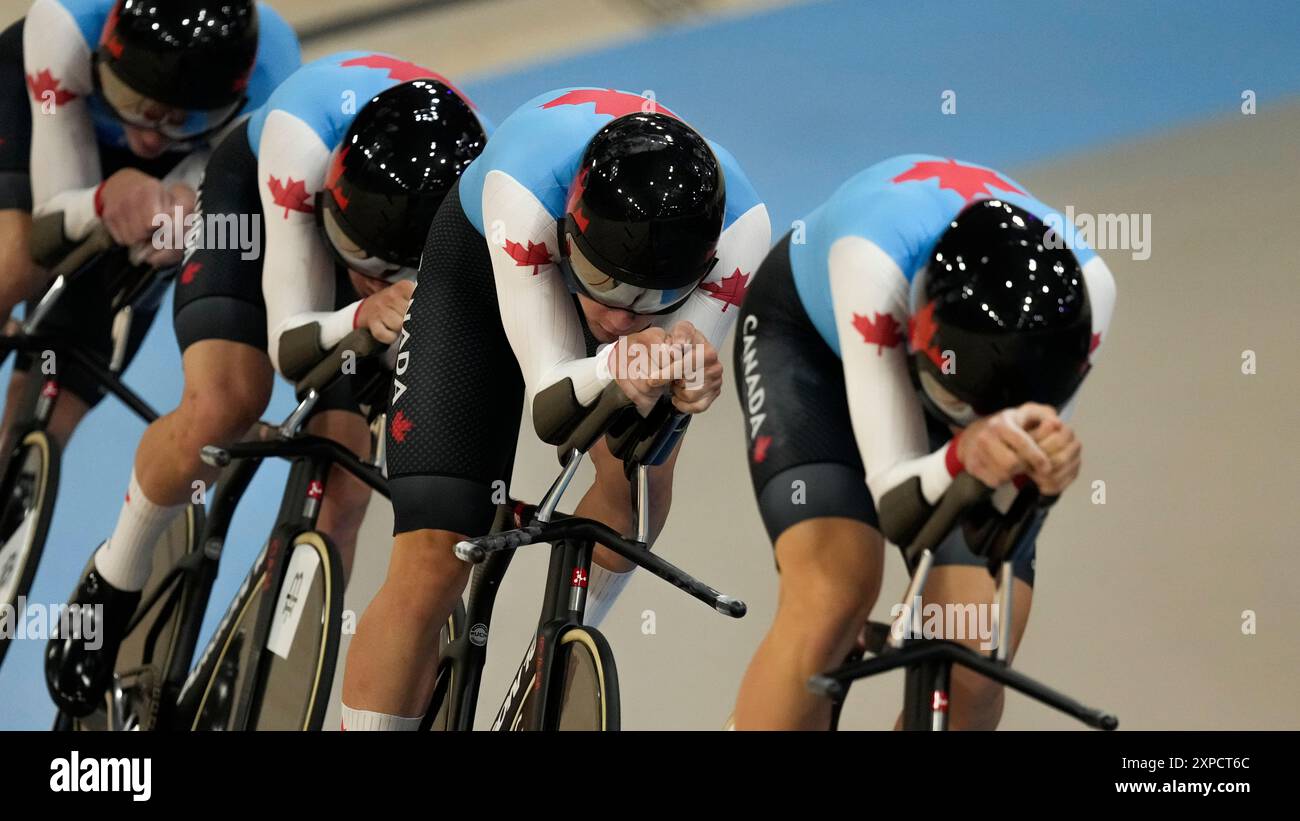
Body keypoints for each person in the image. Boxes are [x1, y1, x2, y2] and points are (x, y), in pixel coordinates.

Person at [45, 51, 490, 717]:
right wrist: (364, 307)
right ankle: (117, 576)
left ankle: (274, 665)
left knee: (345, 474)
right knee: (225, 402)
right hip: (262, 210)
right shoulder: (298, 147)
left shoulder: (476, 205)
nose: (365, 275)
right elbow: (291, 344)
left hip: (393, 250)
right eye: (358, 261)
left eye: (381, 269)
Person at [339, 88, 771, 730]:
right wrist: (625, 359)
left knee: (639, 480)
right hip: (486, 276)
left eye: (650, 297)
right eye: (605, 287)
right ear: (571, 235)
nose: (618, 315)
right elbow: (552, 409)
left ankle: (554, 653)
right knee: (432, 557)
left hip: (607, 273)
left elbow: (663, 391)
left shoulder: (741, 234)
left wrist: (689, 378)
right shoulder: (523, 192)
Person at [730, 155, 1116, 730]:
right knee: (832, 598)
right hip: (814, 342)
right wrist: (965, 452)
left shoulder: (1089, 299)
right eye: (954, 403)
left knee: (977, 659)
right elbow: (898, 508)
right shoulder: (871, 262)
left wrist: (1043, 480)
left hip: (950, 374)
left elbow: (999, 524)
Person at [0, 0, 299, 458]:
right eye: (135, 101)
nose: (151, 136)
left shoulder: (273, 92)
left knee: (62, 394)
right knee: (20, 259)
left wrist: (186, 206)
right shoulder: (66, 25)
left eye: (181, 117)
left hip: (187, 161)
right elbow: (53, 218)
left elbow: (214, 202)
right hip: (53, 110)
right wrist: (104, 199)